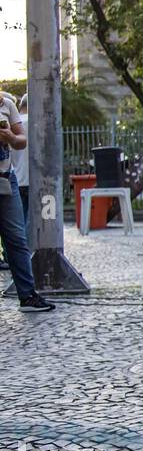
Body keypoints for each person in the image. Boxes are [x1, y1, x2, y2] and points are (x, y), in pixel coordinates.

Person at [0, 90, 52, 311]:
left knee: (17, 239)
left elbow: (21, 140)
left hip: (5, 178)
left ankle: (28, 296)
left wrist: (10, 137)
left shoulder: (7, 105)